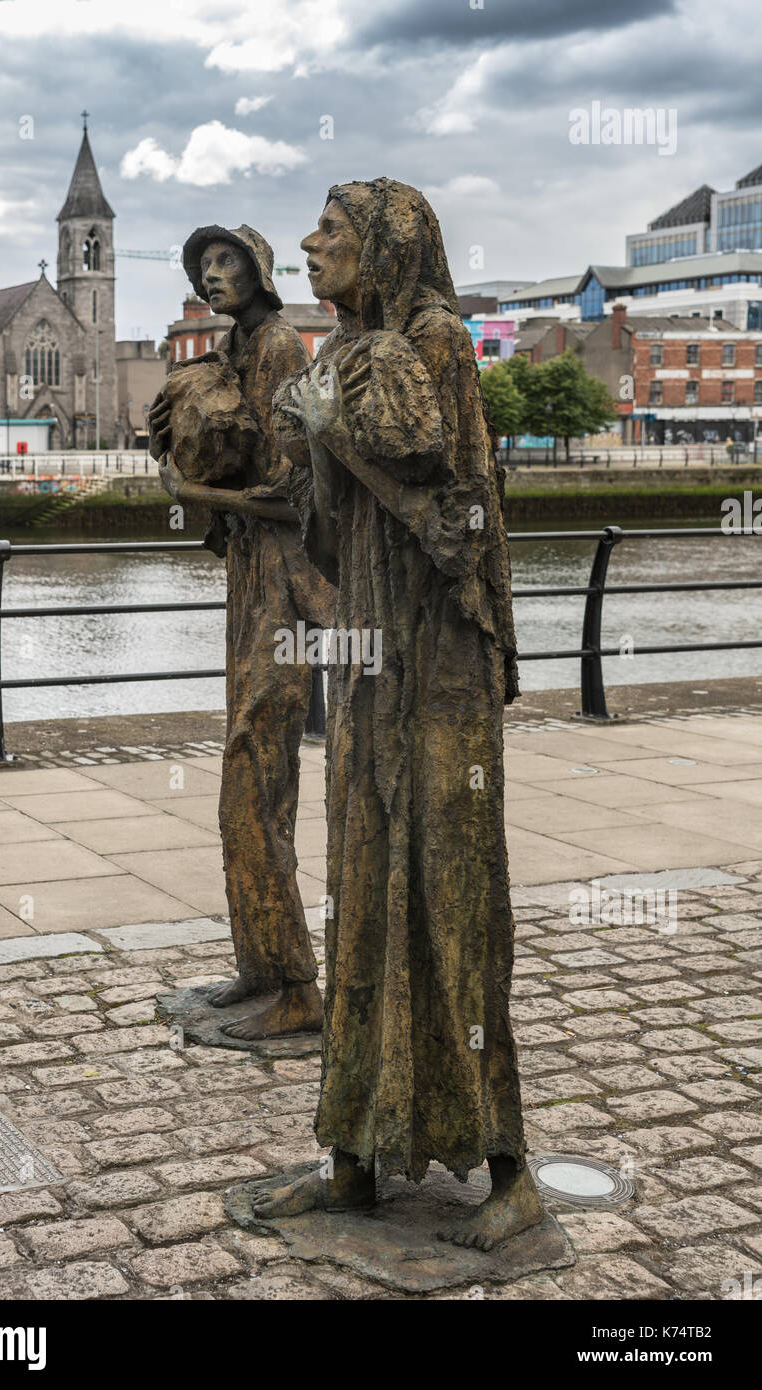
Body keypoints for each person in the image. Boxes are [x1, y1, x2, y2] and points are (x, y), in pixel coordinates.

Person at [254, 180, 544, 1250]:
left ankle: (511, 1171)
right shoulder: (352, 353)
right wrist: (302, 444)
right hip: (375, 660)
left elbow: (443, 496)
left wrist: (336, 418)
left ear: (384, 244)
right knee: (364, 885)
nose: (309, 244)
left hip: (444, 670)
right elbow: (326, 523)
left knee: (455, 898)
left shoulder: (435, 345)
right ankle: (353, 1158)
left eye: (330, 230)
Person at [149, 225, 334, 1040]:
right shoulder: (235, 345)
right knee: (244, 773)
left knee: (256, 773)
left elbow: (296, 493)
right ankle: (261, 968)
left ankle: (295, 986)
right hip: (248, 572)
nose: (213, 275)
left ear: (260, 270)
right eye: (203, 266)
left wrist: (191, 490)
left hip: (284, 582)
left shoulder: (283, 346)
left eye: (227, 263)